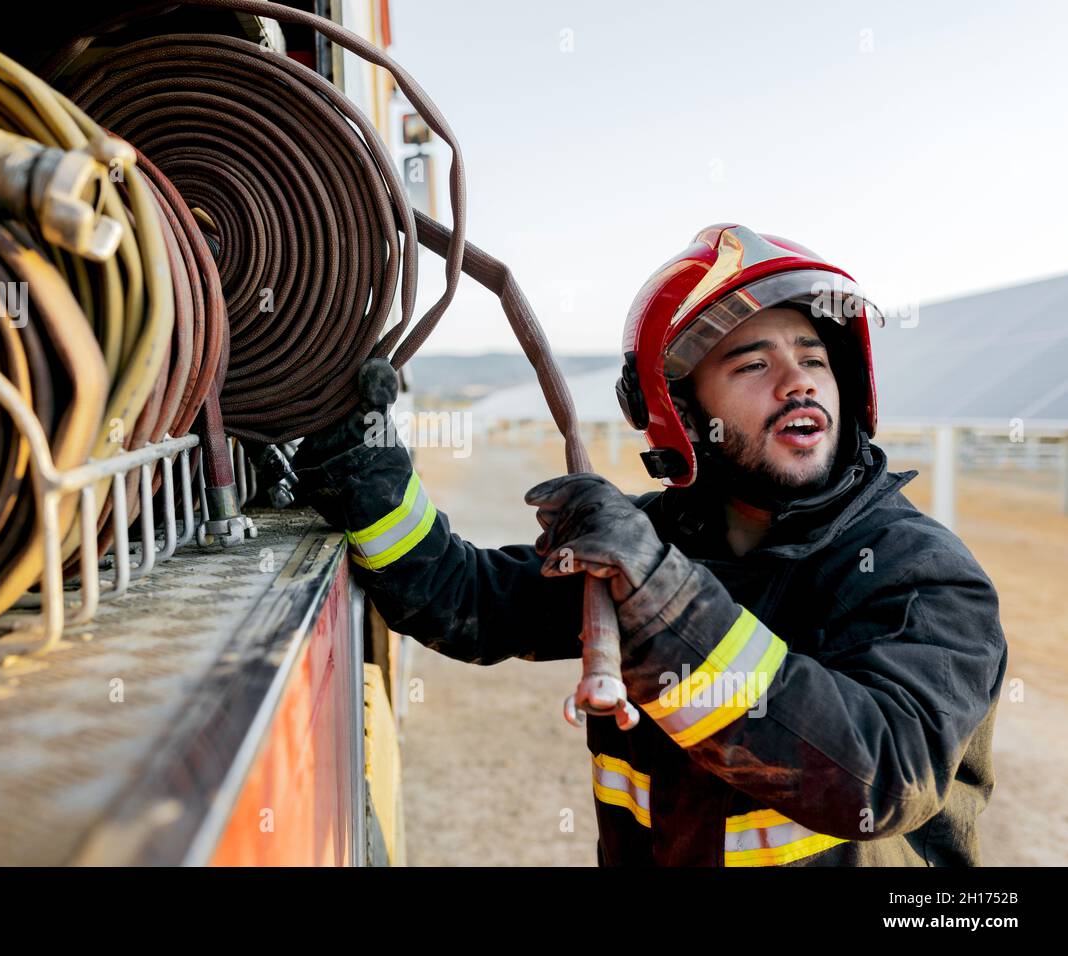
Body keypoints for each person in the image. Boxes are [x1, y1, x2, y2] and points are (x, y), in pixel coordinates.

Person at [292, 223, 1008, 867]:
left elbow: (878, 777)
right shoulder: (648, 546)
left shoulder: (923, 574)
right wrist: (372, 486)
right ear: (680, 412)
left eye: (814, 359)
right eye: (752, 365)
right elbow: (467, 601)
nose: (796, 383)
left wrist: (662, 592)